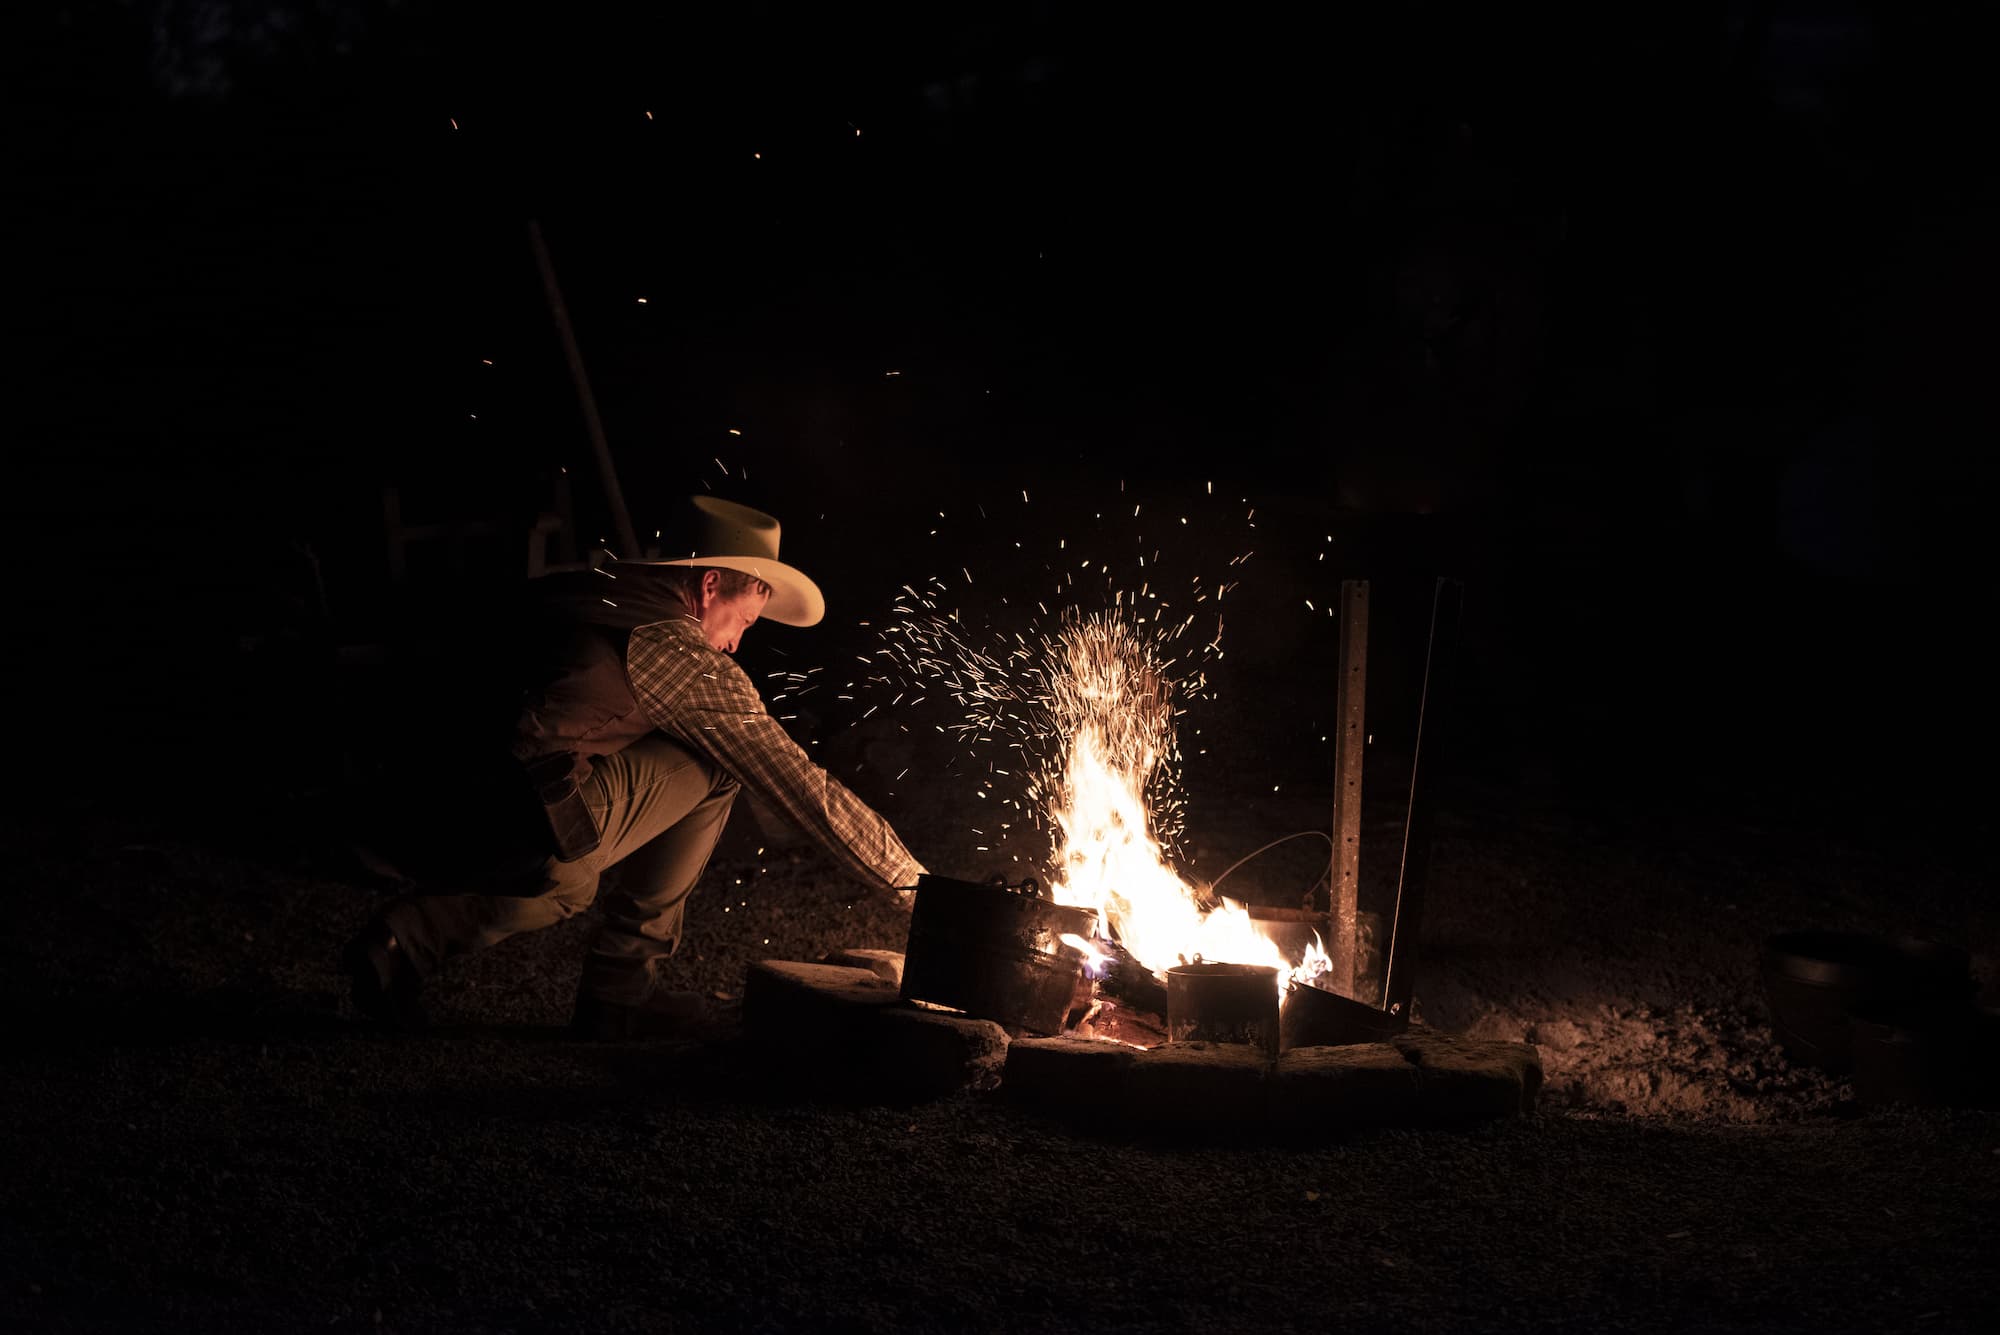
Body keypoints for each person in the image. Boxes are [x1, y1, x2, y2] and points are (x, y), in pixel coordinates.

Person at [342, 496, 928, 1037]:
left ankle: (404, 942)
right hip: (504, 821)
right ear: (710, 583)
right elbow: (801, 786)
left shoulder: (589, 589)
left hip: (417, 799)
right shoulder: (676, 652)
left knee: (573, 879)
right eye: (743, 621)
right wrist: (918, 889)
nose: (734, 645)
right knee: (715, 768)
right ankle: (617, 990)